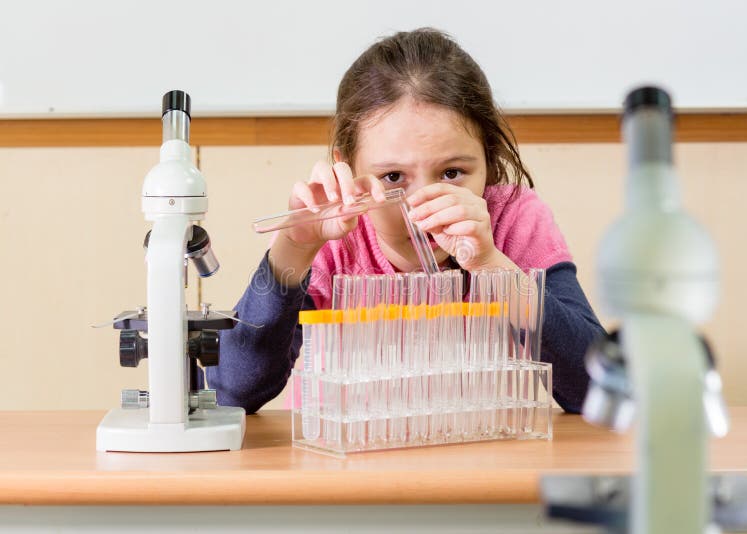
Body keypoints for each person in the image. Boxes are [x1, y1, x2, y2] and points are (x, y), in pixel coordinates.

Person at [206, 28, 604, 414]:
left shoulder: (513, 221)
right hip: (342, 476)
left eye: (452, 173)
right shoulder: (333, 236)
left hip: (480, 468)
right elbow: (233, 392)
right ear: (347, 167)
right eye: (393, 178)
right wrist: (294, 247)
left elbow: (596, 391)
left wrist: (491, 266)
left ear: (489, 157)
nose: (420, 208)